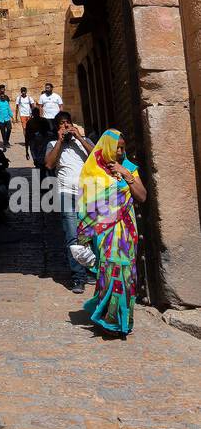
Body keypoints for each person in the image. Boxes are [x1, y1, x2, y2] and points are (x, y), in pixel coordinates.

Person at [74, 129, 146, 336]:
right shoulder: (94, 171)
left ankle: (123, 320)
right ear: (106, 148)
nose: (121, 152)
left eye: (123, 148)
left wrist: (126, 175)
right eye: (117, 148)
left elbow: (142, 196)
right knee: (110, 272)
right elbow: (87, 205)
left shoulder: (130, 168)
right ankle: (109, 317)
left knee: (126, 273)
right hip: (105, 233)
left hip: (126, 232)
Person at [44, 111, 94, 293]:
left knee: (89, 235)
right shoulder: (52, 144)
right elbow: (49, 164)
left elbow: (97, 158)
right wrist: (59, 141)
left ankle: (90, 271)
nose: (65, 126)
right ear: (57, 128)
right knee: (72, 235)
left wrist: (79, 138)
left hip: (88, 192)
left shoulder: (84, 141)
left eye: (67, 123)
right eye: (61, 124)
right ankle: (78, 277)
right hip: (66, 193)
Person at [26, 104, 49, 170]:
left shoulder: (30, 122)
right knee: (41, 163)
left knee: (38, 163)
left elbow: (27, 136)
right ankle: (40, 177)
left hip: (38, 143)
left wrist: (26, 151)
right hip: (39, 143)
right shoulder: (43, 120)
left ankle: (38, 177)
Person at [15, 86, 33, 157]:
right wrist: (16, 116)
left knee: (30, 128)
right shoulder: (18, 98)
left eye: (24, 91)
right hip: (22, 115)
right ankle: (27, 140)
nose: (23, 92)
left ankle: (30, 140)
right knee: (24, 128)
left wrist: (33, 114)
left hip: (29, 115)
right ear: (21, 92)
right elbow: (16, 107)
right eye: (22, 91)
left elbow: (33, 106)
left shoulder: (29, 98)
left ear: (26, 91)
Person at [0, 84, 12, 150]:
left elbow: (8, 107)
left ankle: (6, 140)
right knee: (3, 131)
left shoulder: (6, 97)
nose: (2, 90)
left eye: (3, 89)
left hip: (7, 117)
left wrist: (11, 116)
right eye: (1, 89)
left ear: (4, 89)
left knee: (9, 129)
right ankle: (5, 142)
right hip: (0, 118)